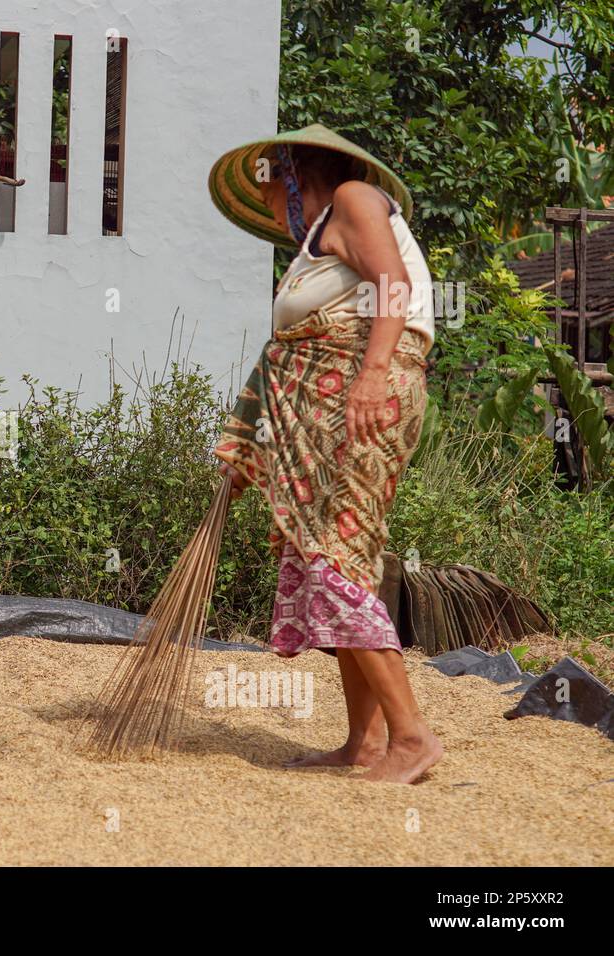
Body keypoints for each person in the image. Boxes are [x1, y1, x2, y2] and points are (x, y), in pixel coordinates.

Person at [207, 124, 442, 784]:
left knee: (333, 559)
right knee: (338, 561)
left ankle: (412, 736)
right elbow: (284, 354)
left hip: (364, 397)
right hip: (320, 411)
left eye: (276, 186)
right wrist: (248, 445)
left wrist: (371, 373)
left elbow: (393, 285)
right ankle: (365, 745)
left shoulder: (353, 198)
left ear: (293, 174)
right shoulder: (316, 246)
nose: (276, 204)